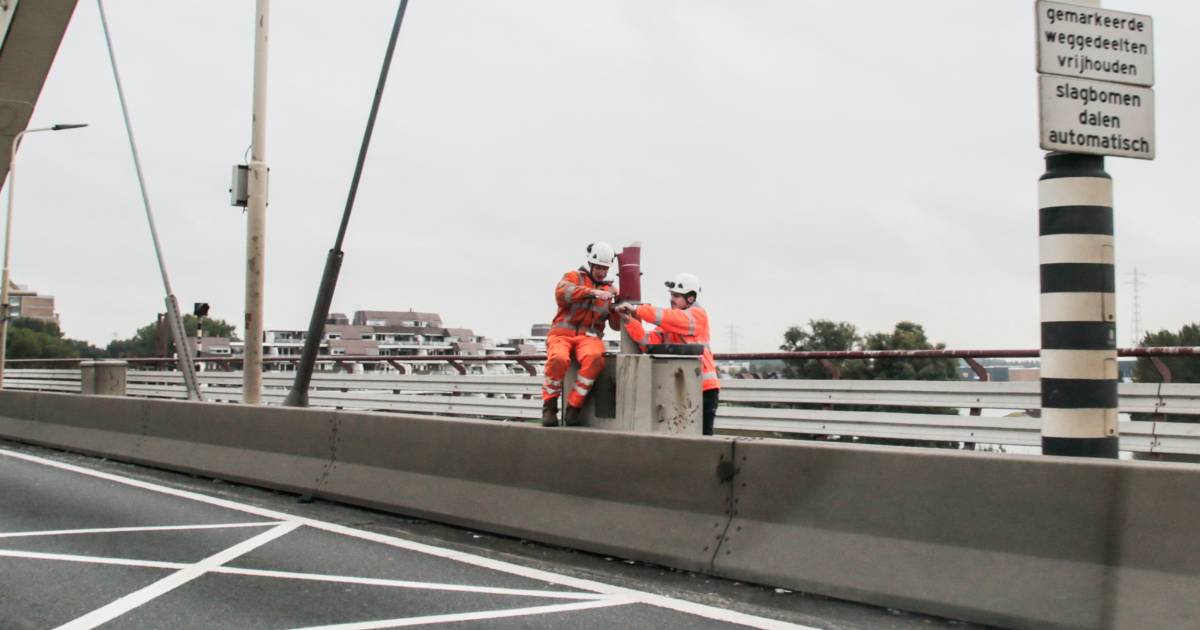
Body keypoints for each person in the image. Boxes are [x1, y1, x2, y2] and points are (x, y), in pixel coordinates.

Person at [615, 272, 720, 435]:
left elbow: (671, 318)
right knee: (682, 435)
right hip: (682, 385)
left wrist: (638, 310)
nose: (672, 299)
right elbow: (647, 342)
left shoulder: (698, 315)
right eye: (672, 295)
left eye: (677, 296)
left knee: (703, 437)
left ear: (690, 299)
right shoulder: (671, 323)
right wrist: (630, 321)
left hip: (704, 388)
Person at [541, 242, 619, 426]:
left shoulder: (611, 291)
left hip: (589, 336)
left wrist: (619, 308)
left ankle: (574, 408)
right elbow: (562, 293)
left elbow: (615, 326)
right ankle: (549, 407)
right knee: (558, 359)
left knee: (595, 358)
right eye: (598, 268)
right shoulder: (573, 276)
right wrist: (592, 293)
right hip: (562, 334)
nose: (601, 272)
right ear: (591, 264)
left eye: (605, 268)